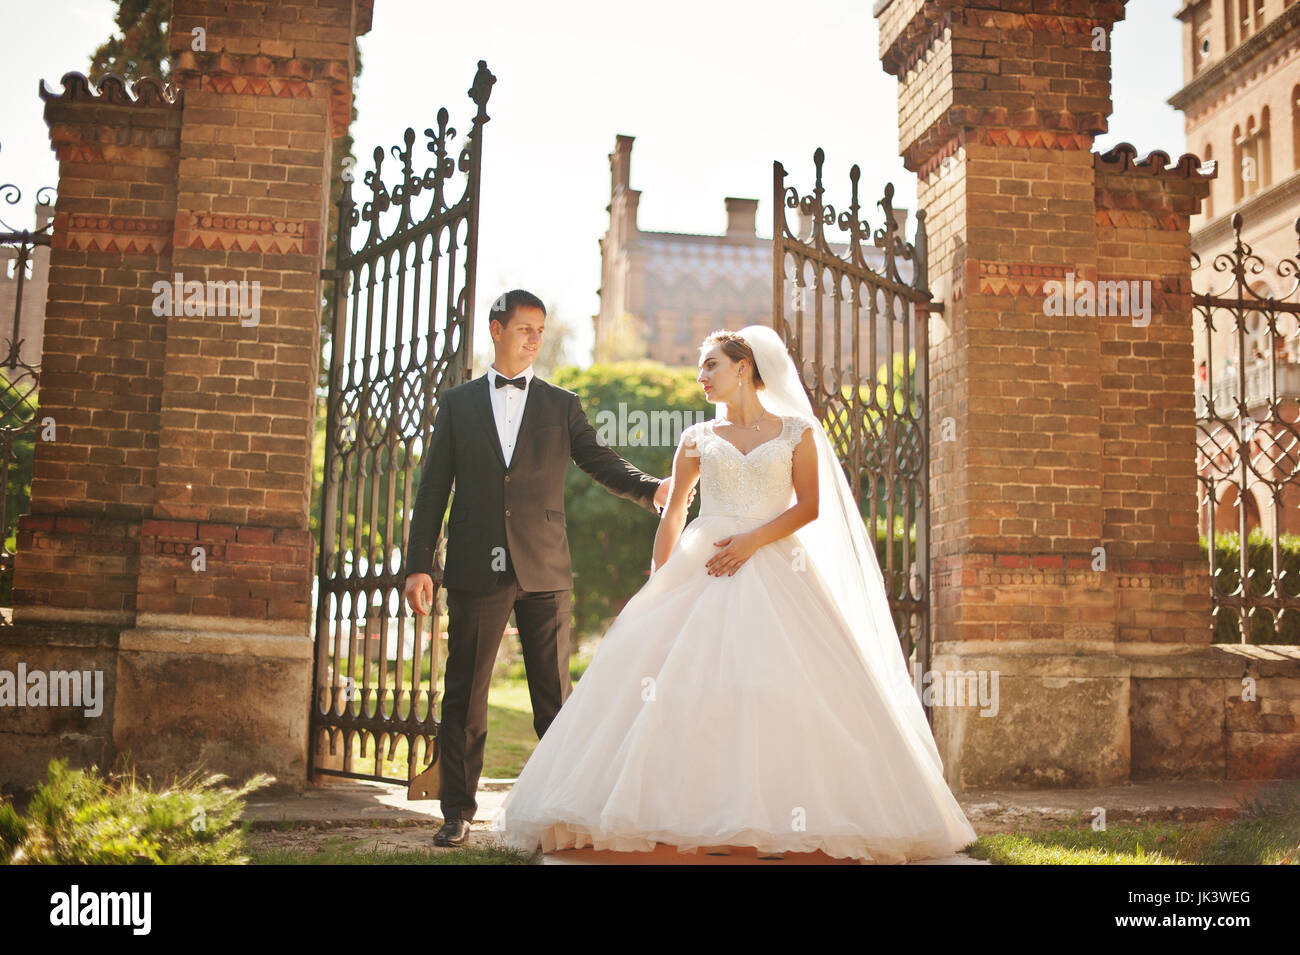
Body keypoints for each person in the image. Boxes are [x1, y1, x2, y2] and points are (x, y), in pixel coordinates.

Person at [495, 324, 977, 863]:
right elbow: (675, 510)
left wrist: (751, 541)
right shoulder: (697, 439)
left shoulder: (797, 431)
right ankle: (669, 810)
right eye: (701, 367)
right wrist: (661, 579)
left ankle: (777, 813)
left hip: (773, 558)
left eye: (711, 366)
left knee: (777, 682)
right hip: (702, 564)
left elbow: (809, 507)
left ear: (743, 367)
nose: (701, 377)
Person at [401, 289, 690, 847]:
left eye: (540, 329)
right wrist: (420, 565)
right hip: (473, 566)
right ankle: (457, 811)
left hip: (545, 568)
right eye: (524, 328)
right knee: (465, 692)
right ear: (496, 330)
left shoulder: (562, 404)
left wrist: (651, 488)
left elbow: (597, 458)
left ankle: (564, 808)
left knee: (554, 697)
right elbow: (433, 488)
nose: (534, 338)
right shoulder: (458, 405)